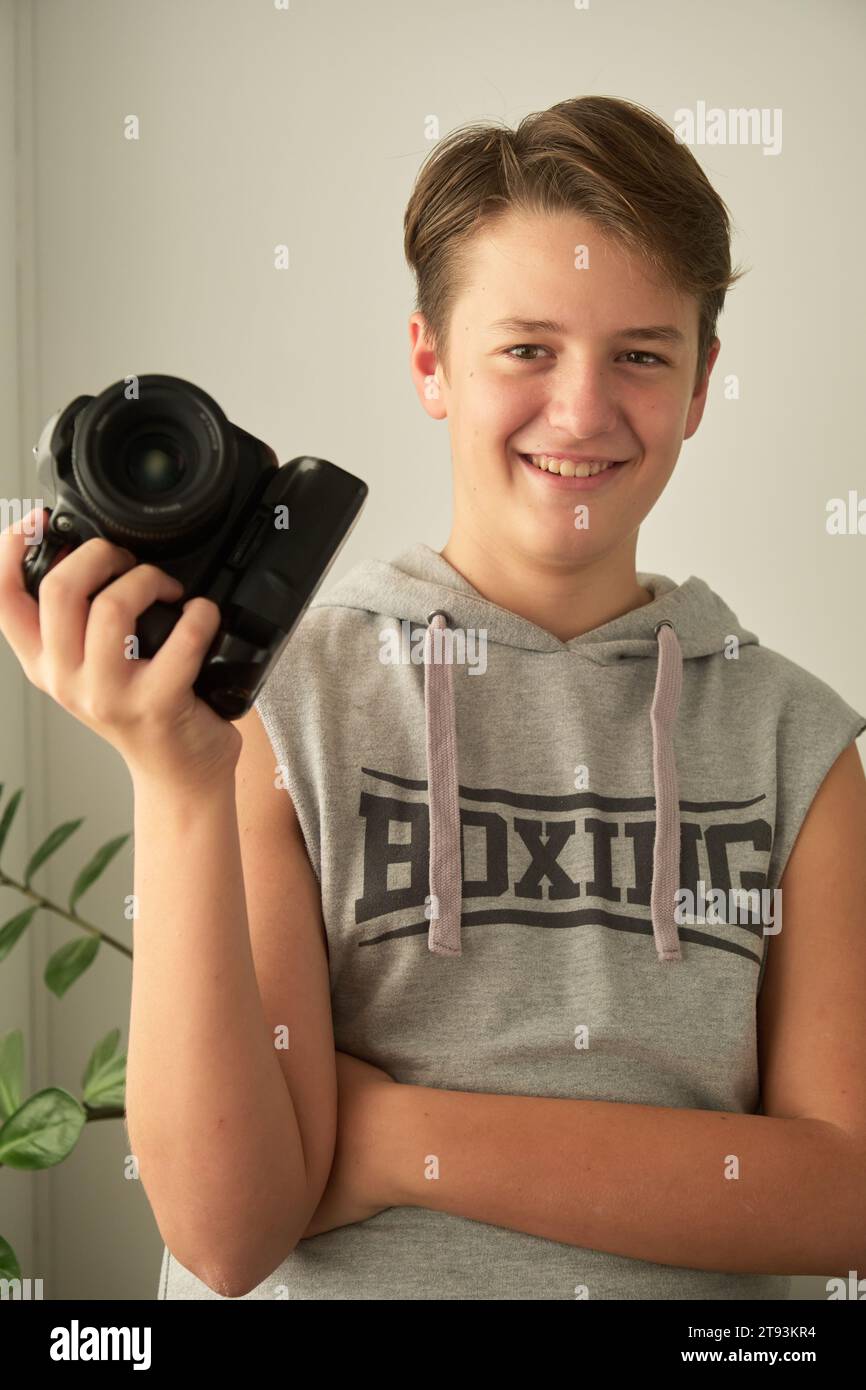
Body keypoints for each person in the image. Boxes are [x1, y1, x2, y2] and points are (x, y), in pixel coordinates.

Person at [1, 95, 864, 1302]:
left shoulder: (794, 739)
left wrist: (392, 1137)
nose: (580, 410)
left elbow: (840, 1198)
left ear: (698, 382)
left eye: (639, 354)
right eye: (526, 349)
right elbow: (228, 1234)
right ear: (429, 361)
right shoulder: (275, 698)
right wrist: (178, 781)